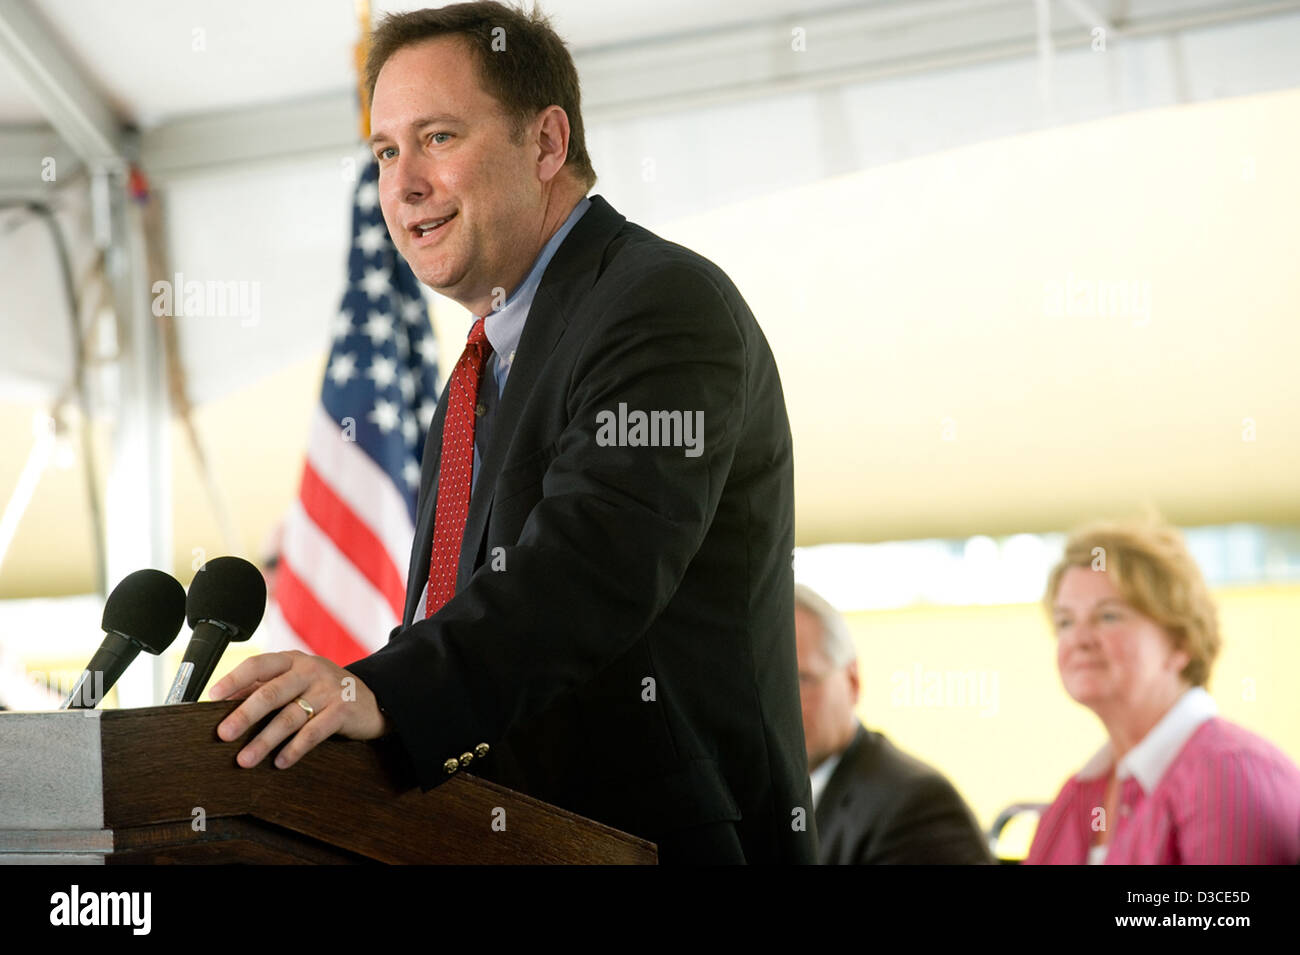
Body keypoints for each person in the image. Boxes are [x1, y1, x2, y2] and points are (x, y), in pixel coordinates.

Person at [208, 1, 814, 864]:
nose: (402, 184)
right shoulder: (476, 374)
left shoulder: (660, 305)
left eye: (439, 138)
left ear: (546, 144)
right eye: (386, 151)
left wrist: (377, 691)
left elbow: (586, 573)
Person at [1026, 519, 1300, 864]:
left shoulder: (1229, 776)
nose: (1078, 639)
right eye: (1065, 621)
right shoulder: (1077, 796)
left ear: (1180, 641)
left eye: (1108, 616)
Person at [795, 584, 991, 864]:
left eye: (801, 681)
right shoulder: (764, 797)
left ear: (852, 680)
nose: (778, 709)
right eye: (762, 689)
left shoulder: (915, 806)